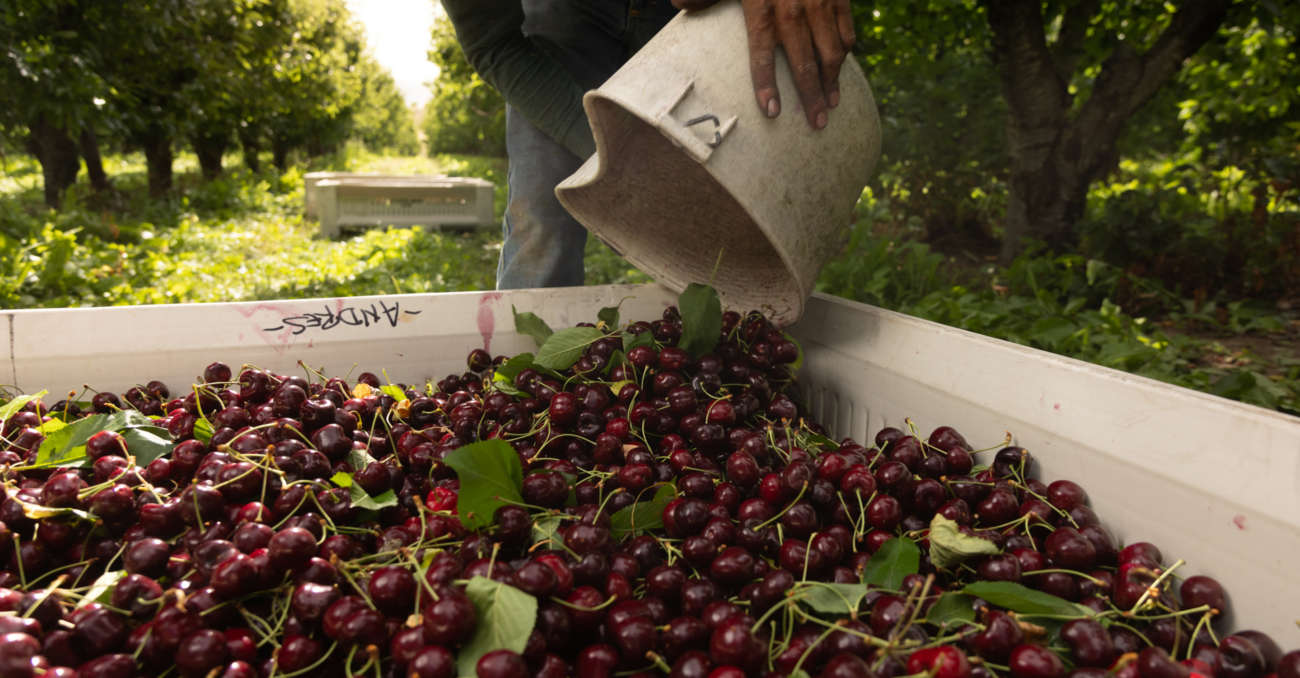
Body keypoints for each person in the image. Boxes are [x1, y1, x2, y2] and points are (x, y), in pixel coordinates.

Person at [441, 0, 855, 290]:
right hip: (564, 17)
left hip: (699, 12)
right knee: (543, 210)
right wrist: (610, 150)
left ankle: (730, 370)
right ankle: (526, 375)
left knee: (731, 196)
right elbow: (493, 44)